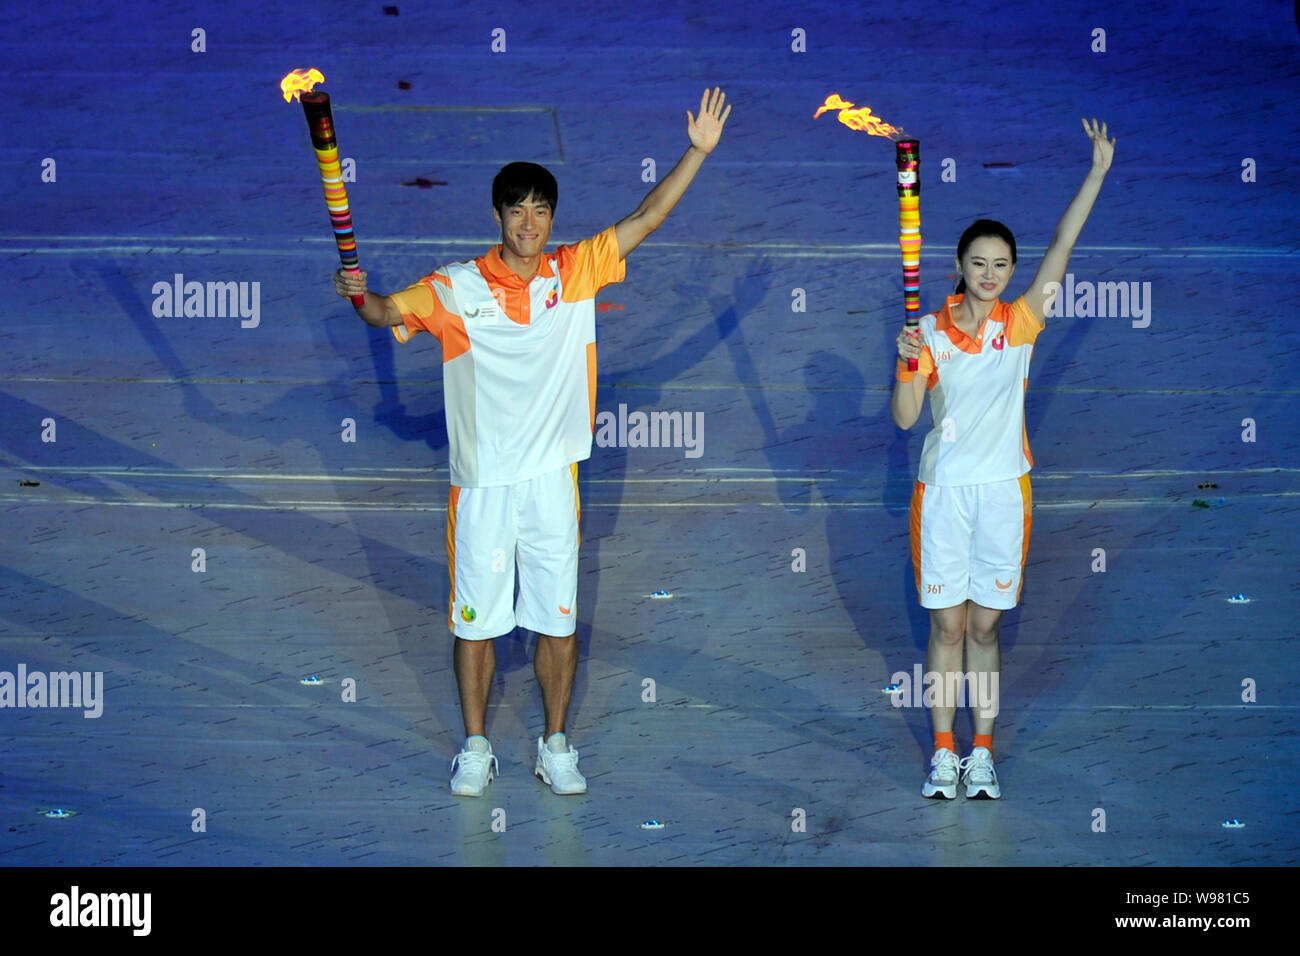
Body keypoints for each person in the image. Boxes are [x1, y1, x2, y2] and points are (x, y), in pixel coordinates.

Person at [334, 89, 731, 796]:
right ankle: (478, 746)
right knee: (476, 624)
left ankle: (555, 744)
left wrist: (696, 152)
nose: (528, 222)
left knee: (558, 622)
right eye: (516, 209)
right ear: (497, 216)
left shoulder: (576, 272)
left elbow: (649, 215)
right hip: (483, 486)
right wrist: (357, 293)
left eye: (540, 210)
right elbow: (384, 312)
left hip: (552, 484)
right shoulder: (454, 288)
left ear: (552, 218)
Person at [892, 119, 1115, 799]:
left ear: (1011, 273)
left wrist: (1098, 170)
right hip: (944, 496)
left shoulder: (1019, 325)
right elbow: (905, 420)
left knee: (985, 627)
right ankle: (942, 751)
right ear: (959, 267)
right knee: (947, 625)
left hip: (1004, 498)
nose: (990, 275)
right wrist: (904, 366)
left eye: (1001, 266)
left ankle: (981, 748)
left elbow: (1064, 244)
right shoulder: (926, 333)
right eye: (979, 264)